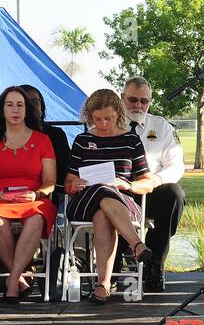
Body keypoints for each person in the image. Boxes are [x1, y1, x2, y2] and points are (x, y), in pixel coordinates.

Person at [64, 89, 157, 304]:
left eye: (108, 118)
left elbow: (148, 183)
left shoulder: (131, 140)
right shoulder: (82, 140)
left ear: (118, 113)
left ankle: (103, 285)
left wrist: (128, 184)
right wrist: (75, 185)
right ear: (90, 117)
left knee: (104, 209)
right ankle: (137, 245)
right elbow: (68, 183)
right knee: (102, 191)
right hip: (84, 200)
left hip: (121, 201)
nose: (103, 124)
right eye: (97, 119)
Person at [0, 86, 58, 302]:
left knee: (37, 218)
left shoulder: (43, 141)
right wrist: (0, 195)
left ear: (26, 109)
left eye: (20, 105)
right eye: (9, 104)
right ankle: (18, 278)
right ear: (2, 109)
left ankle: (12, 281)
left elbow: (50, 182)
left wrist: (36, 194)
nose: (15, 110)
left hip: (33, 199)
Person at [122, 76, 185, 292]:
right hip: (118, 189)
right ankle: (115, 263)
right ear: (122, 98)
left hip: (151, 189)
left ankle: (154, 264)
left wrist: (155, 180)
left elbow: (176, 167)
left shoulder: (162, 126)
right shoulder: (107, 123)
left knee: (174, 194)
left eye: (143, 101)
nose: (138, 106)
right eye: (132, 100)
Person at [18, 84, 72, 200]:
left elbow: (63, 171)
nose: (31, 107)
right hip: (7, 192)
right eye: (25, 103)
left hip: (49, 193)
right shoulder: (0, 137)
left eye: (35, 102)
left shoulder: (55, 135)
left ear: (41, 108)